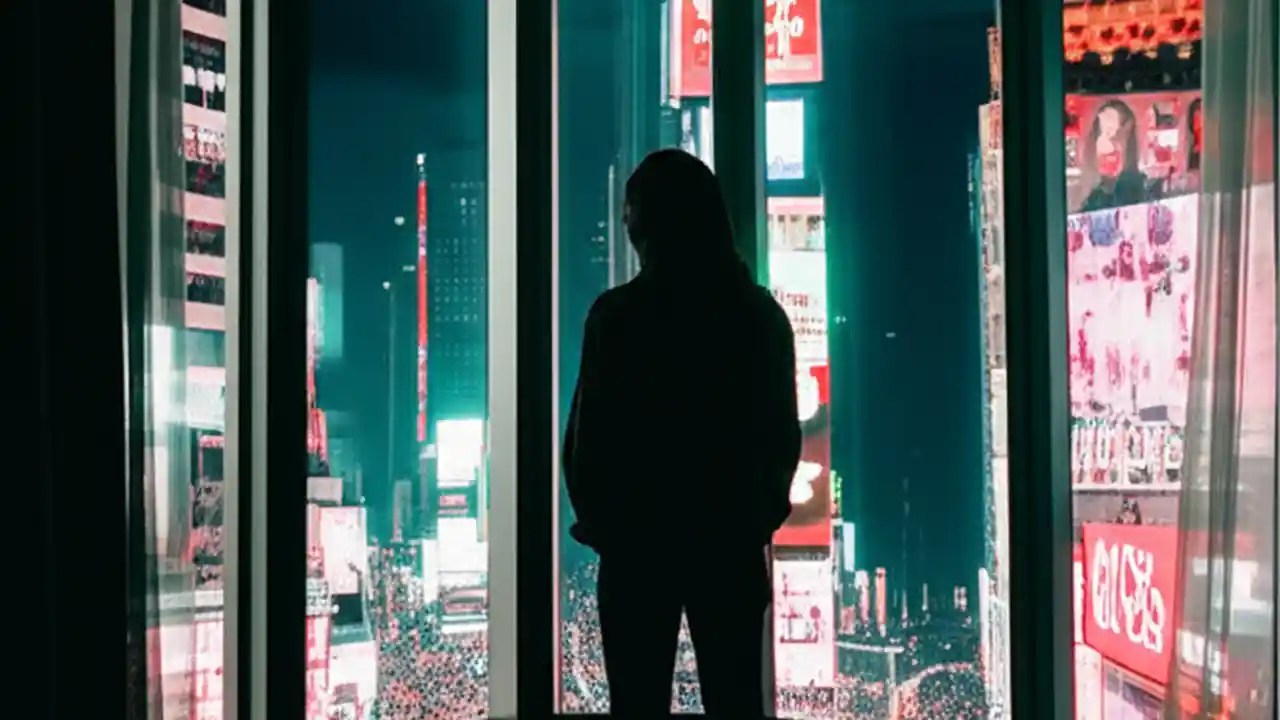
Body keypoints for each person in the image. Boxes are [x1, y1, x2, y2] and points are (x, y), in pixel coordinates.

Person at [563, 149, 802, 717]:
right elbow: (781, 442)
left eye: (633, 220)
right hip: (729, 542)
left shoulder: (617, 319)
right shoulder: (759, 318)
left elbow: (585, 445)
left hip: (636, 546)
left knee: (637, 700)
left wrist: (608, 524)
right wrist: (751, 518)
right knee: (735, 697)